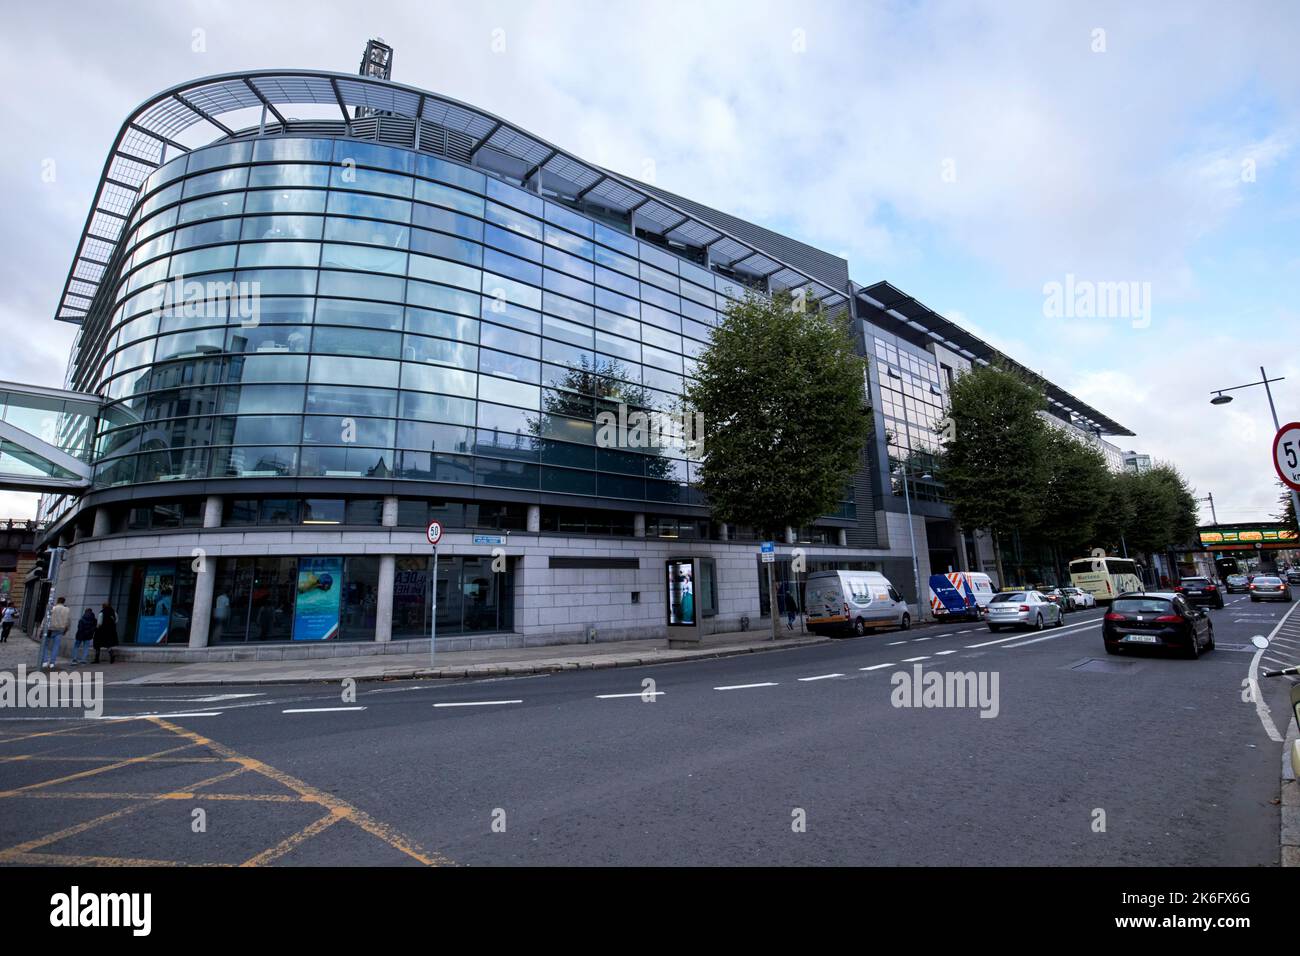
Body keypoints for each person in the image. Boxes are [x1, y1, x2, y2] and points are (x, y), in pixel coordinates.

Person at [41, 597, 71, 670]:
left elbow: (46, 618)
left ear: (57, 601)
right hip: (60, 629)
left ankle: (45, 661)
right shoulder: (67, 610)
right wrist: (66, 629)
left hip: (50, 629)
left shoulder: (52, 608)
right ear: (64, 602)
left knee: (45, 645)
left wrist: (42, 628)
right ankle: (52, 663)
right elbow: (68, 621)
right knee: (56, 646)